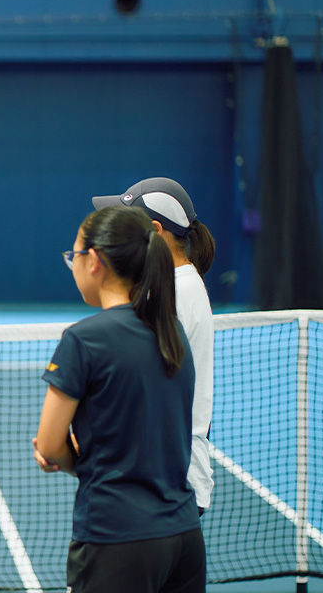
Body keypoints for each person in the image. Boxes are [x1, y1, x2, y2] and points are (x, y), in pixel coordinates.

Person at [33, 205, 205, 593]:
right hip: (184, 538)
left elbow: (49, 444)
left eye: (73, 256)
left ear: (93, 261)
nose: (72, 264)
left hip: (116, 540)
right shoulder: (172, 330)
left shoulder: (83, 339)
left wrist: (66, 457)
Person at [92, 177, 216, 515]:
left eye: (127, 223)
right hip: (164, 479)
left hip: (164, 484)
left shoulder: (171, 293)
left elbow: (140, 386)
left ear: (156, 230)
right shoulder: (178, 285)